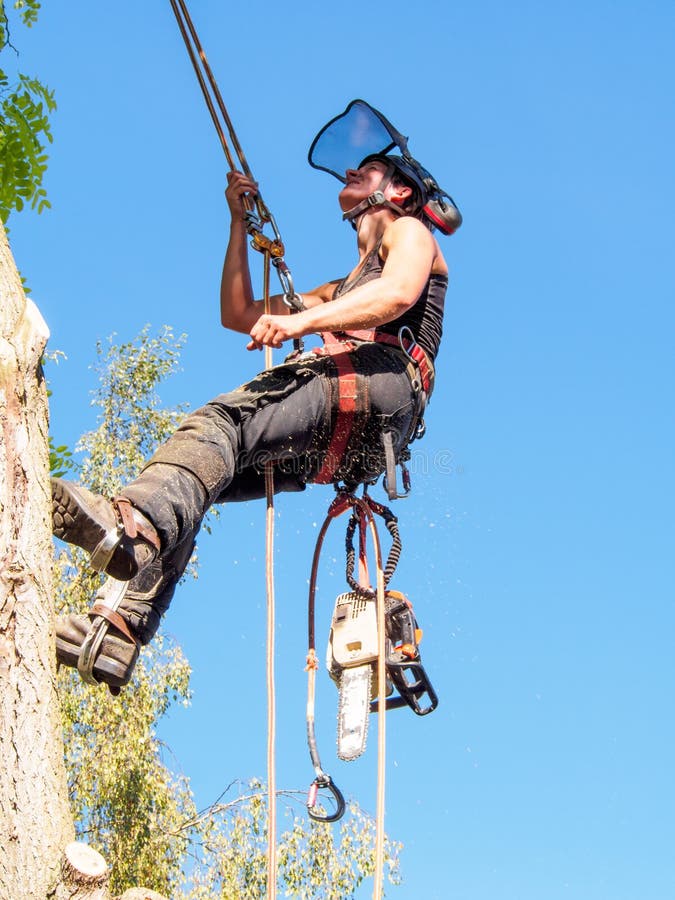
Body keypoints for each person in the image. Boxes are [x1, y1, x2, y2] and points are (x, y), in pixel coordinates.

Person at [51, 124, 460, 691]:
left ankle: (134, 524)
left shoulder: (411, 231)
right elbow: (238, 312)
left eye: (368, 170)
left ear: (396, 192)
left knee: (221, 423)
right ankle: (123, 625)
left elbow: (396, 294)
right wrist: (237, 226)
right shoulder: (339, 288)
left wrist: (300, 322)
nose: (353, 173)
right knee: (204, 477)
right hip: (362, 431)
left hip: (380, 381)